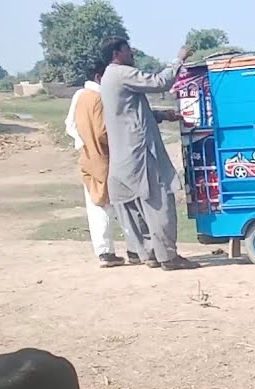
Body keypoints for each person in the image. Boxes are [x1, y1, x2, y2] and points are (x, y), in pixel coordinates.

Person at [98, 36, 200, 271]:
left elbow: (129, 113)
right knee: (159, 200)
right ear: (116, 53)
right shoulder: (121, 73)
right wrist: (179, 59)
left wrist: (162, 115)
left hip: (122, 156)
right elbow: (159, 82)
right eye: (127, 49)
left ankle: (149, 253)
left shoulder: (108, 77)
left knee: (133, 205)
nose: (132, 53)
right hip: (140, 152)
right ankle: (168, 256)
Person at [65, 62, 139, 268]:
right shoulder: (100, 97)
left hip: (88, 156)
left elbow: (70, 126)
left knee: (97, 205)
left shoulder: (79, 95)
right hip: (107, 157)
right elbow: (102, 132)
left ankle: (105, 252)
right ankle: (132, 250)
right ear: (100, 77)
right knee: (121, 204)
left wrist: (84, 143)